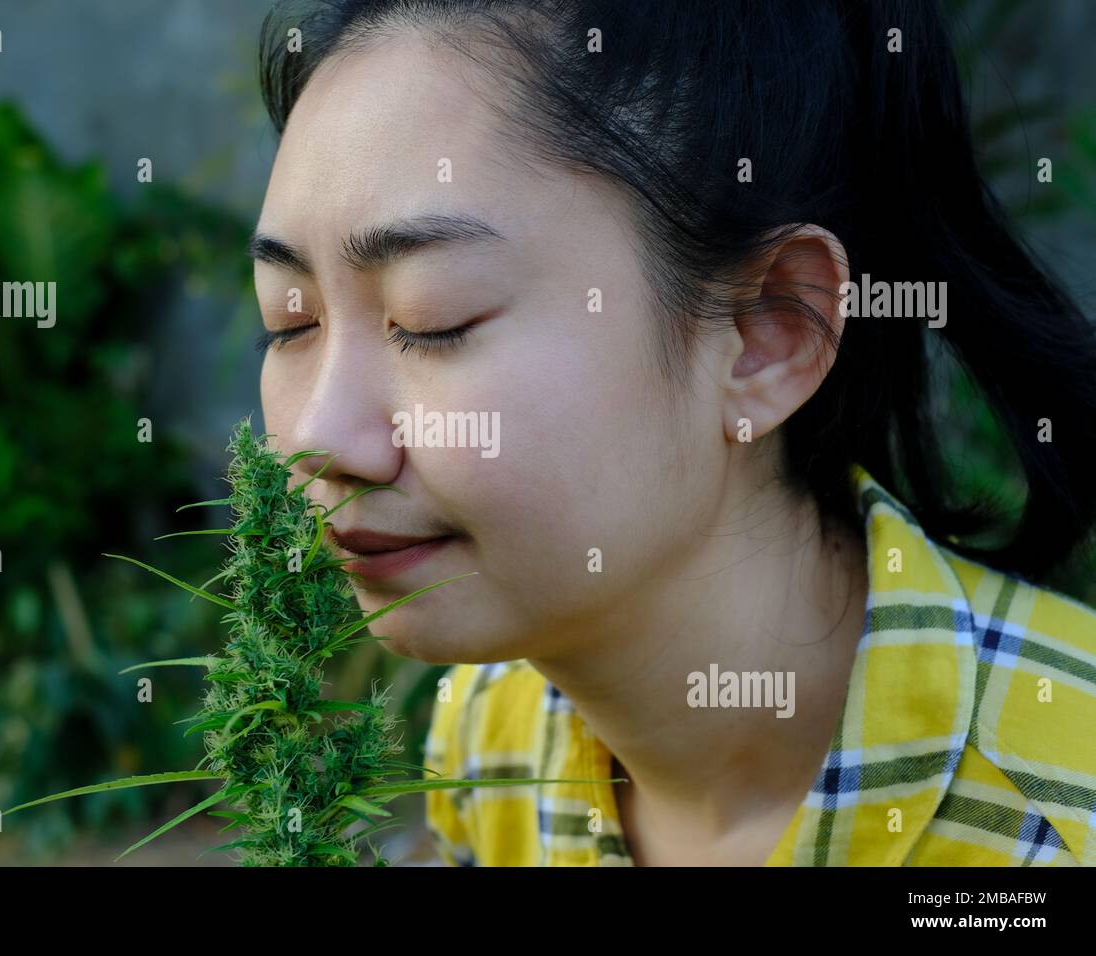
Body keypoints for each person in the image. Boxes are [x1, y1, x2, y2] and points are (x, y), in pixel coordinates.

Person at [248, 0, 1096, 865]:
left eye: (432, 317)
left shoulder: (1057, 820)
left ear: (768, 332)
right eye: (287, 322)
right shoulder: (492, 735)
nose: (319, 438)